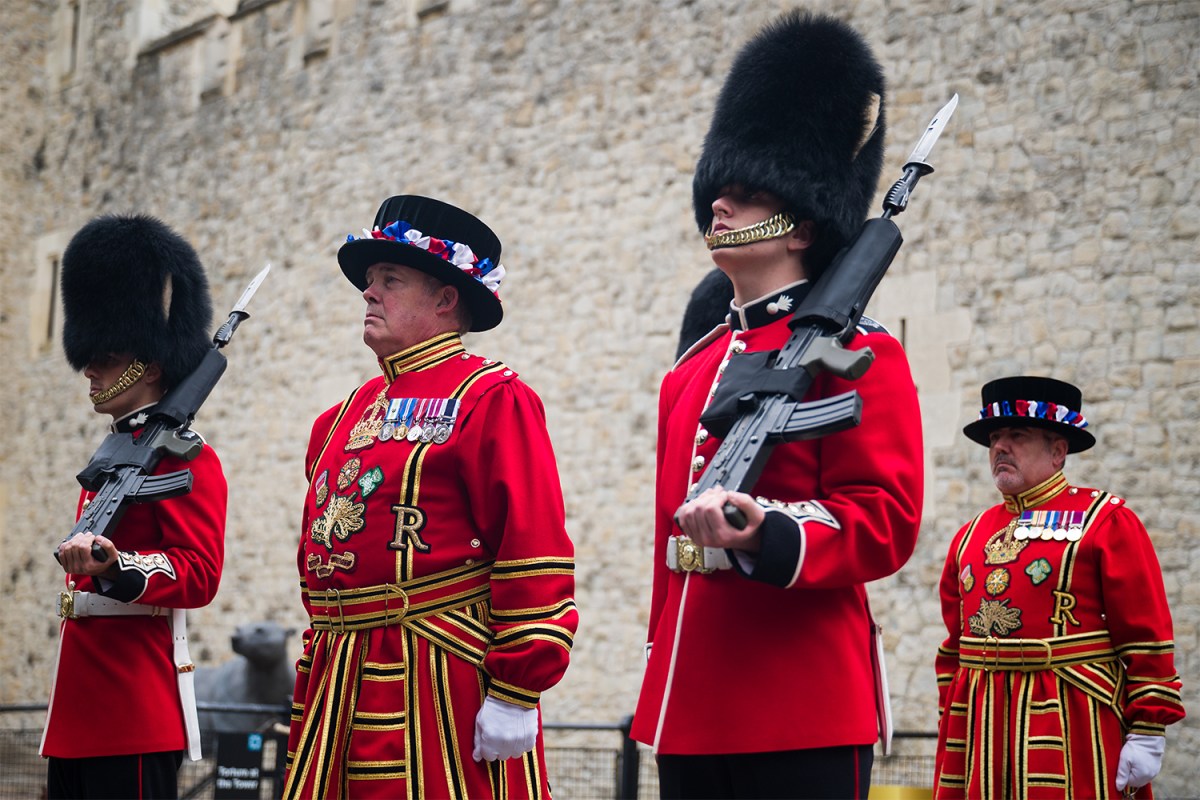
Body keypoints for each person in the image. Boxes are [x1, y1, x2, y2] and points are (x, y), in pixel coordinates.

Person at [631, 12, 924, 799]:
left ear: (798, 223)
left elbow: (884, 518)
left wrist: (770, 531)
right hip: (689, 703)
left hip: (800, 706)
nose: (719, 209)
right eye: (717, 195)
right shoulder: (689, 376)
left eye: (746, 194)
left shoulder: (861, 353)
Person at [283, 195, 578, 799]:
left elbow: (533, 546)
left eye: (391, 279)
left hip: (437, 676)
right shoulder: (337, 420)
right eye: (369, 281)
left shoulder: (493, 398)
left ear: (446, 298)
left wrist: (517, 688)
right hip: (339, 675)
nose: (369, 293)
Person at [41, 214, 228, 798]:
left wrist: (117, 566)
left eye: (108, 355)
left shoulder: (187, 460)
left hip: (132, 713)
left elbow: (199, 572)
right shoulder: (114, 455)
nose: (89, 368)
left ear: (148, 362)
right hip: (79, 709)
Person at [933, 376, 1185, 799]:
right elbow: (953, 649)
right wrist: (953, 716)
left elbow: (1146, 634)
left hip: (1069, 718)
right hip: (981, 726)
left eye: (1017, 435)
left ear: (1058, 450)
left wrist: (1147, 729)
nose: (1000, 447)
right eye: (995, 437)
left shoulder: (1105, 519)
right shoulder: (969, 535)